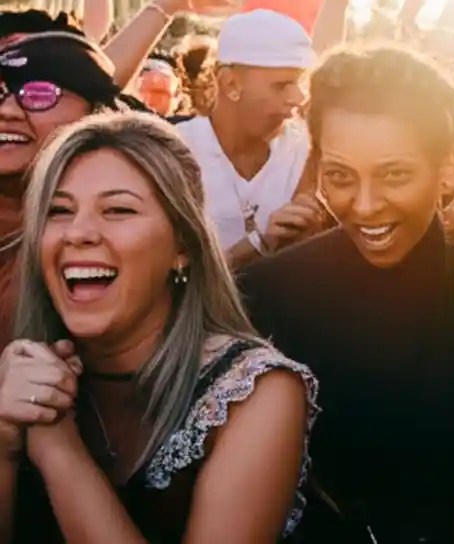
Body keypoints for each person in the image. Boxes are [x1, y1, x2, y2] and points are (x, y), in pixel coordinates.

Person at [238, 44, 454, 542]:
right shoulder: (267, 296)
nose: (365, 204)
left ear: (448, 169)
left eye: (394, 174)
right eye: (339, 176)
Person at [0, 112, 316, 541]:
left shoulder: (256, 392)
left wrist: (59, 449)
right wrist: (4, 443)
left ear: (182, 245)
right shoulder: (15, 367)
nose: (78, 233)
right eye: (58, 211)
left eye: (118, 209)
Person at [0, 15, 130, 342]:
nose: (8, 110)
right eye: (0, 93)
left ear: (93, 115)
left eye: (38, 93)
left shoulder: (123, 220)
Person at [173, 10, 324, 269]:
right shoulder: (173, 151)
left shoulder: (304, 148)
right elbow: (167, 274)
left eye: (299, 82)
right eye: (281, 85)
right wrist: (258, 245)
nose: (298, 98)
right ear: (231, 84)